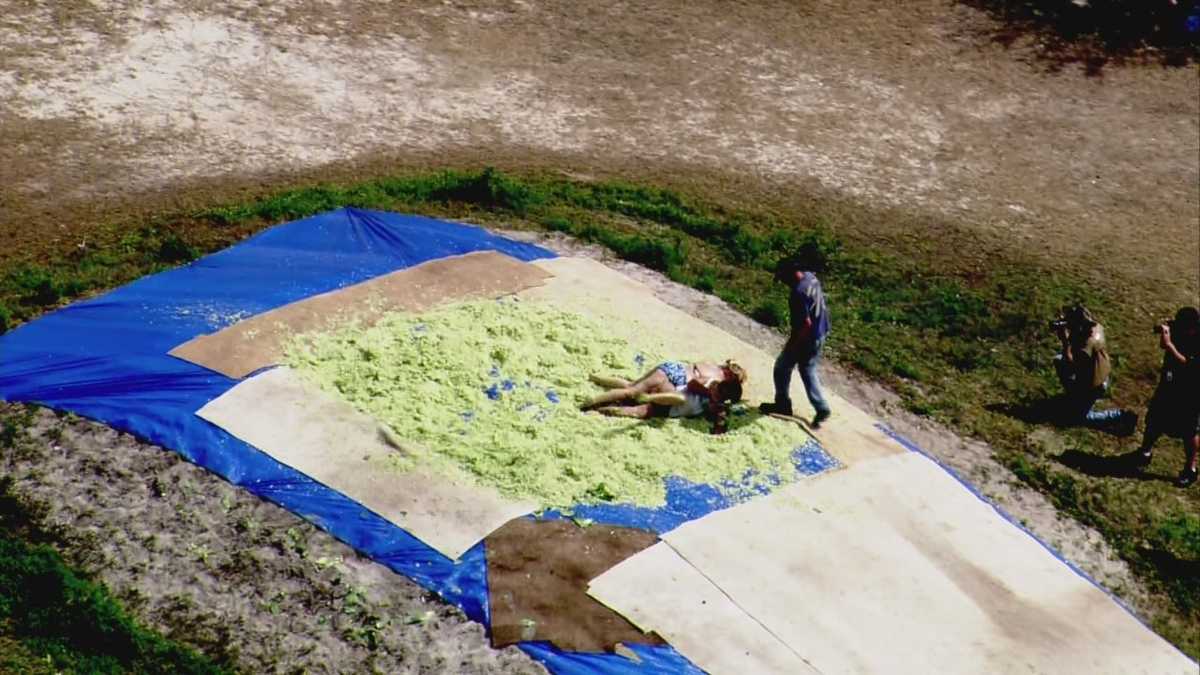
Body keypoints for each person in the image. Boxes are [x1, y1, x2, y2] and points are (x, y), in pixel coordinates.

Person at [758, 255, 832, 428]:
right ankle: (820, 406)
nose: (783, 283)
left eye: (783, 278)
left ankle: (784, 404)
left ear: (789, 275)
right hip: (822, 330)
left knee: (782, 367)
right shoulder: (811, 278)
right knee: (808, 368)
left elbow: (804, 325)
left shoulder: (797, 293)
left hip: (808, 336)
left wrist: (792, 345)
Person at [1131, 306, 1200, 488]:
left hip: (1191, 392)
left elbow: (1188, 364)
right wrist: (1164, 330)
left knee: (1189, 431)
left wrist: (1170, 345)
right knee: (1154, 420)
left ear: (1192, 327)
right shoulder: (1178, 327)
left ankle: (1190, 469)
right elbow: (1162, 340)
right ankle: (1145, 452)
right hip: (1169, 385)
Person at [581, 360, 747, 435]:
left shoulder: (711, 374)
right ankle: (594, 405)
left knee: (630, 389)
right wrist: (711, 398)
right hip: (674, 393)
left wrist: (719, 414)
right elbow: (692, 386)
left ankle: (597, 383)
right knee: (635, 401)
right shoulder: (713, 381)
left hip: (673, 375)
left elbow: (719, 422)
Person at [1051, 304, 1136, 434]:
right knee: (1060, 360)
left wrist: (1065, 342)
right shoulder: (1097, 328)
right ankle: (1076, 399)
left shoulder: (1085, 348)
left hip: (1092, 385)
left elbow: (1072, 365)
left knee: (1080, 418)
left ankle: (1120, 416)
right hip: (1101, 375)